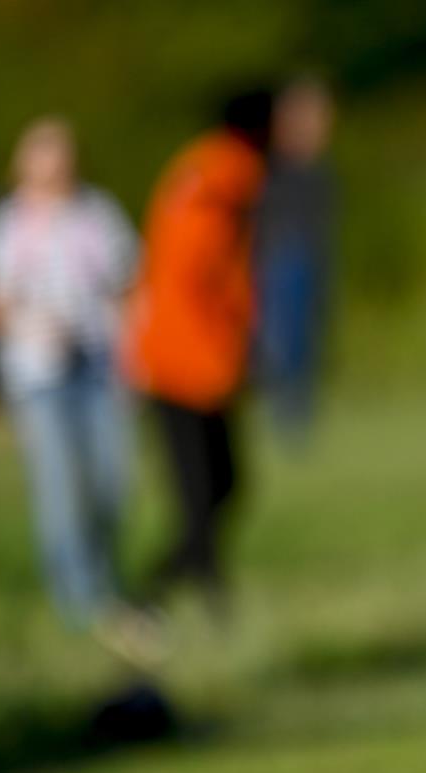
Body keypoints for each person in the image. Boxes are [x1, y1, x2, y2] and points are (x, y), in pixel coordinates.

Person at [0, 117, 137, 628]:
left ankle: (104, 573)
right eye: (43, 154)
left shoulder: (96, 213)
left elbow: (130, 282)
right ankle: (79, 601)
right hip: (38, 374)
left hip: (99, 365)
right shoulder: (8, 226)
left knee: (112, 480)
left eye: (61, 153)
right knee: (60, 486)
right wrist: (30, 326)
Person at [123, 90, 271, 613]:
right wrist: (225, 348)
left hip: (190, 358)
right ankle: (176, 602)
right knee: (201, 497)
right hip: (182, 364)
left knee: (223, 487)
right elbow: (192, 273)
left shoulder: (210, 170)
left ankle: (172, 593)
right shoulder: (222, 178)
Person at [254, 75, 335, 450]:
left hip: (308, 261)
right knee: (280, 345)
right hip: (277, 262)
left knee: (306, 343)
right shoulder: (271, 166)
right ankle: (283, 418)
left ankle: (298, 420)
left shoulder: (318, 171)